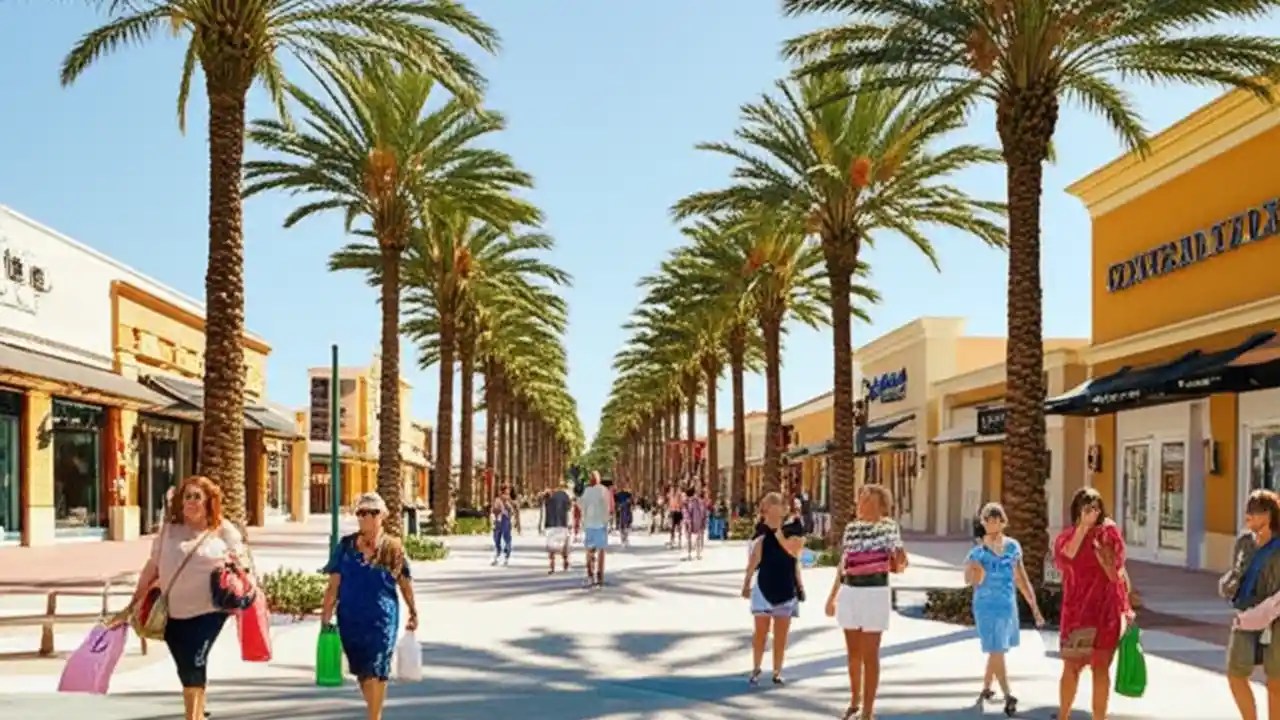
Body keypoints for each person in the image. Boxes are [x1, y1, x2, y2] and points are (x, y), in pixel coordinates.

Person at [111, 476, 243, 720]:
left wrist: (249, 594)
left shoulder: (223, 531)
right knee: (185, 664)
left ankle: (192, 717)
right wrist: (133, 602)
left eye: (197, 497)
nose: (191, 502)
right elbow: (152, 567)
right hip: (174, 612)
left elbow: (243, 568)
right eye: (187, 496)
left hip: (210, 611)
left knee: (195, 659)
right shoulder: (169, 530)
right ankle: (198, 712)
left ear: (208, 502)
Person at [321, 493, 418, 720]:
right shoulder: (345, 547)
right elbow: (333, 585)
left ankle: (374, 717)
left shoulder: (392, 548)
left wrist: (413, 611)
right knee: (363, 672)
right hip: (351, 619)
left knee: (378, 667)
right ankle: (374, 713)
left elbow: (405, 582)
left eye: (372, 512)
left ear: (382, 515)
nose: (366, 517)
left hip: (382, 619)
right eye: (361, 512)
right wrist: (326, 616)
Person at [826, 484, 907, 720]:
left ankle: (868, 712)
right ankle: (855, 700)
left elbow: (899, 564)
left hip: (875, 592)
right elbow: (844, 565)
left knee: (870, 654)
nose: (861, 504)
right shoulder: (851, 529)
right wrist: (832, 598)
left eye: (867, 501)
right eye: (860, 499)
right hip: (851, 592)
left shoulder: (888, 527)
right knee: (853, 653)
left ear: (880, 506)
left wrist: (899, 558)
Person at [1054, 487, 1132, 720]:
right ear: (1077, 510)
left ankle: (1099, 717)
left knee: (1101, 668)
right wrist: (1083, 528)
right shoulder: (1067, 537)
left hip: (1105, 612)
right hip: (1076, 613)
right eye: (1087, 507)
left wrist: (1126, 607)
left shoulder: (1109, 534)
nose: (1092, 512)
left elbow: (1116, 569)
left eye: (1096, 507)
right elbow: (1066, 556)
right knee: (1071, 667)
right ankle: (1063, 716)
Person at [965, 502, 1045, 715]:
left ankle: (986, 688)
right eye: (989, 520)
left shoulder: (1012, 547)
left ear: (1003, 522)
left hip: (1007, 604)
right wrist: (977, 572)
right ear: (983, 523)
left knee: (997, 649)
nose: (993, 523)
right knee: (997, 648)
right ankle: (1008, 695)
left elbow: (1021, 577)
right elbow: (968, 579)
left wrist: (1034, 607)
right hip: (985, 605)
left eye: (997, 519)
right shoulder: (977, 552)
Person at [1224, 489, 1280, 720]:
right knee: (1236, 673)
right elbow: (1237, 573)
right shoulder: (1245, 542)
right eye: (1247, 510)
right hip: (1247, 614)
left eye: (1254, 512)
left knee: (1276, 679)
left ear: (1268, 515)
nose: (1247, 516)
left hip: (1276, 614)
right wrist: (1229, 582)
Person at [742, 492, 804, 686]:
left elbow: (795, 557)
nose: (773, 511)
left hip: (786, 587)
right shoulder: (759, 536)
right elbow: (753, 562)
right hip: (763, 588)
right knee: (761, 631)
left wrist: (799, 585)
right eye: (769, 507)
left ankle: (777, 671)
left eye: (776, 507)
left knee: (781, 633)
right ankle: (756, 667)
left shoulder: (792, 531)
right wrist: (746, 583)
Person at [581, 471, 611, 588]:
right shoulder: (604, 490)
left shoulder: (587, 491)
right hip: (599, 525)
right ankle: (600, 577)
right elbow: (606, 506)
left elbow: (582, 505)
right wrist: (606, 521)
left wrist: (585, 519)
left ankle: (590, 576)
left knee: (589, 551)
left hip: (589, 525)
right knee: (601, 551)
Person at [542, 483, 573, 574]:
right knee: (564, 545)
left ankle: (552, 566)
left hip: (550, 524)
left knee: (551, 547)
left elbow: (543, 504)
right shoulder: (564, 495)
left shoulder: (547, 496)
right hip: (562, 523)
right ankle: (565, 561)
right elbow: (569, 508)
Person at [490, 486, 515, 566]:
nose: (506, 495)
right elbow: (493, 510)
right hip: (498, 521)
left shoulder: (509, 501)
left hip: (506, 521)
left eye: (507, 493)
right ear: (501, 492)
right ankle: (497, 557)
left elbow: (513, 512)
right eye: (505, 493)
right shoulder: (497, 500)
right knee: (496, 539)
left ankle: (506, 557)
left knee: (507, 539)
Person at [683, 485, 708, 561]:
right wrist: (703, 520)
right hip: (697, 521)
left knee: (690, 538)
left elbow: (685, 512)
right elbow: (702, 511)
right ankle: (697, 554)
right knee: (697, 538)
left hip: (690, 521)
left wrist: (687, 520)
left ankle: (690, 554)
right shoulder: (698, 501)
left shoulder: (687, 501)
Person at [614, 481, 634, 548]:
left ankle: (624, 539)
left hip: (625, 512)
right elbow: (616, 503)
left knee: (624, 526)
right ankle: (623, 540)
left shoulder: (627, 494)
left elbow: (631, 503)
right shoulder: (619, 495)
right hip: (622, 512)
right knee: (623, 526)